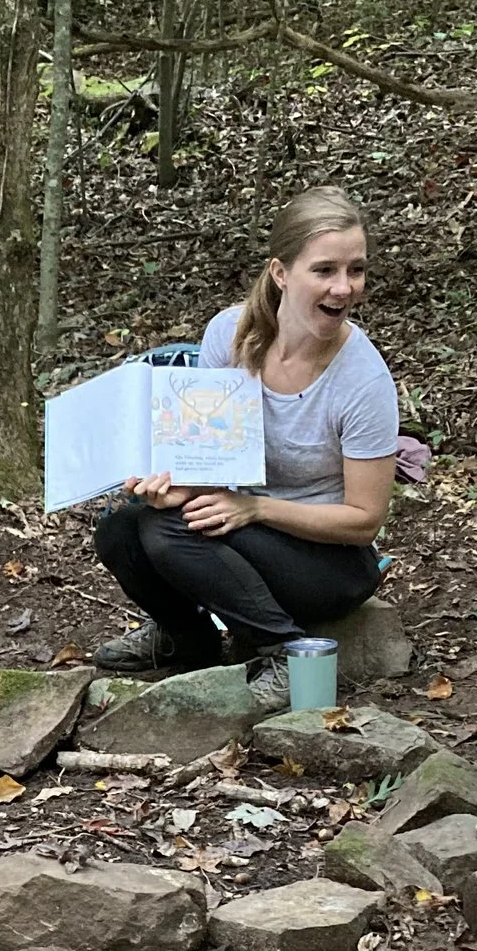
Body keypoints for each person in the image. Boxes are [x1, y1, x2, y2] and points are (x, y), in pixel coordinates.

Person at [93, 186, 400, 702]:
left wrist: (255, 508)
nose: (344, 288)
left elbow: (364, 521)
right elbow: (209, 459)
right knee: (122, 526)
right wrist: (180, 488)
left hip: (331, 562)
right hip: (246, 535)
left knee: (169, 533)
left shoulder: (363, 381)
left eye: (356, 270)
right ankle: (186, 638)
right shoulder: (229, 335)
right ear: (281, 273)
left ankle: (286, 654)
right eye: (325, 270)